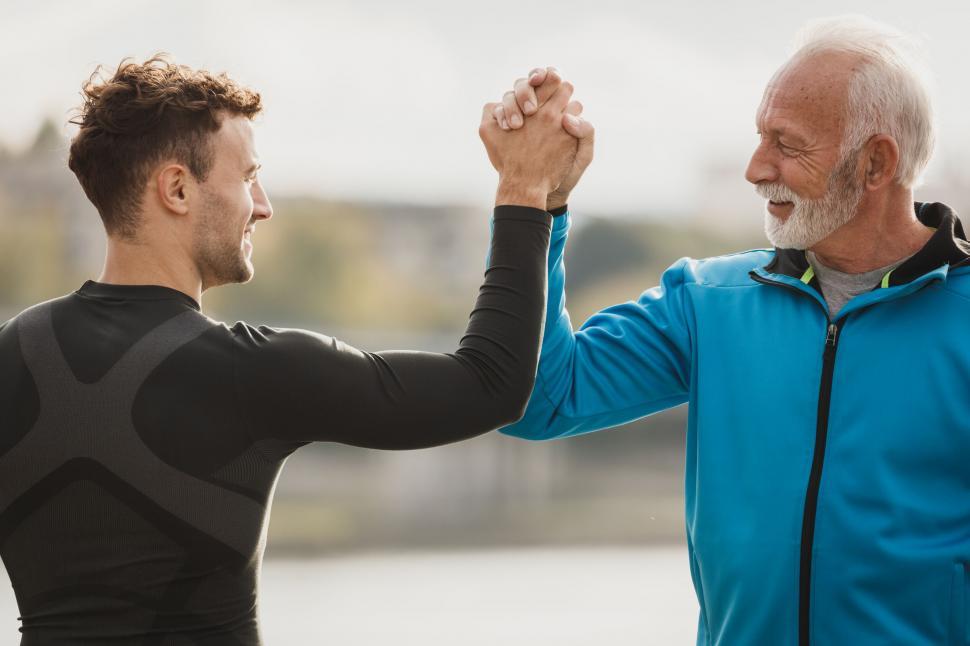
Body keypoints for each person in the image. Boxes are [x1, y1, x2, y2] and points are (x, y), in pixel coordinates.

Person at [0, 55, 591, 644]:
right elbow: (491, 384)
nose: (263, 204)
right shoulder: (248, 371)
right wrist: (525, 189)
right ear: (177, 189)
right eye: (248, 176)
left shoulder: (13, 353)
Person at [494, 15, 970, 646]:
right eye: (758, 137)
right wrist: (531, 197)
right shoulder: (706, 301)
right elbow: (534, 401)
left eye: (786, 143)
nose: (754, 168)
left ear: (877, 162)